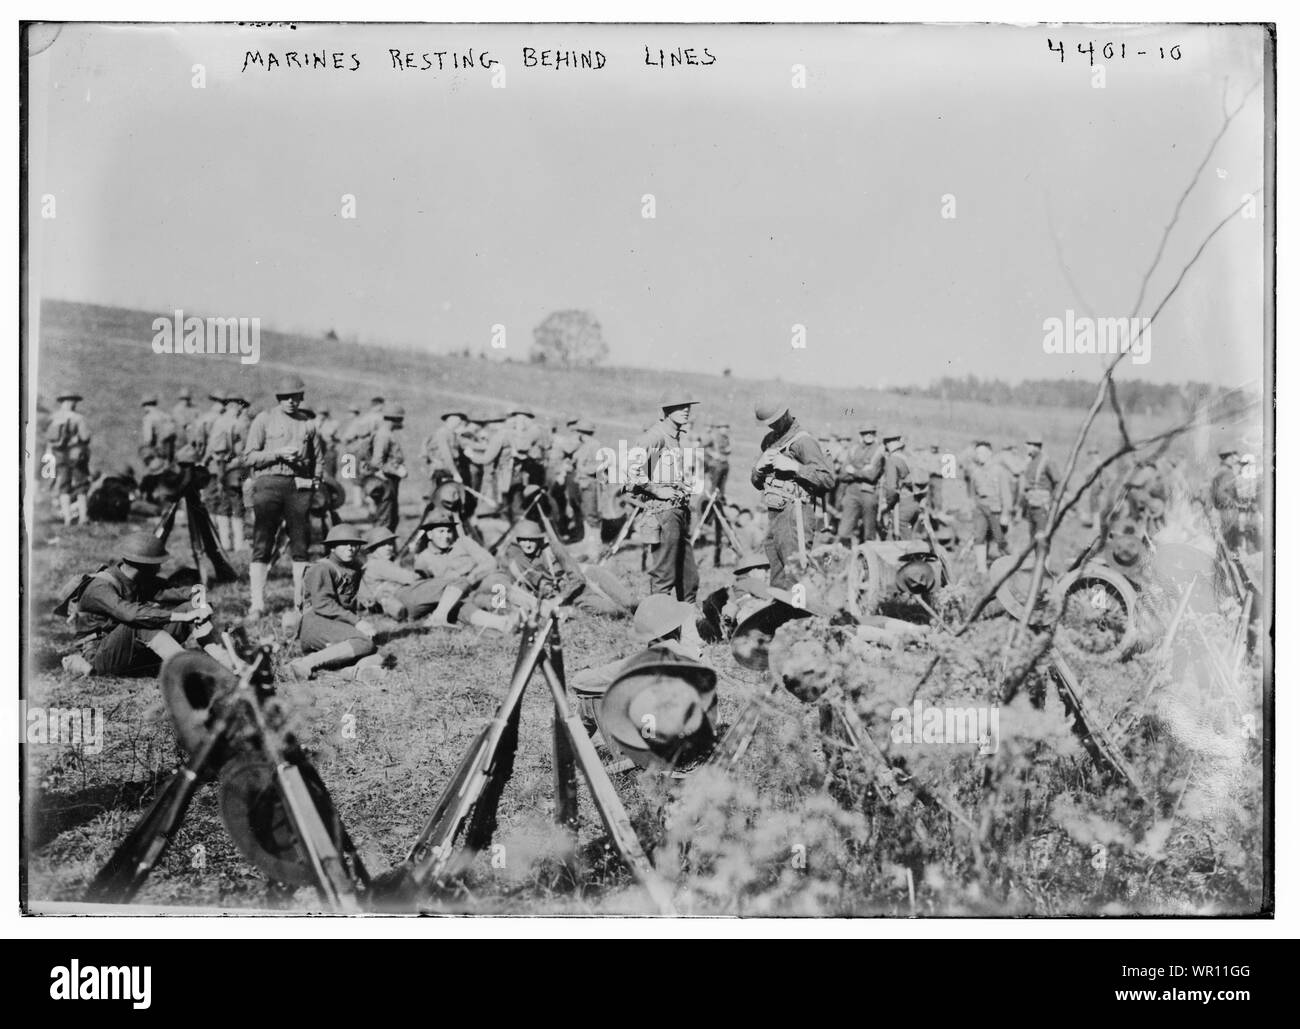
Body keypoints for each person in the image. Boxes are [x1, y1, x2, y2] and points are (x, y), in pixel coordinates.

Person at [64, 531, 227, 677]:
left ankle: (227, 663)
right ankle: (190, 674)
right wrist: (183, 616)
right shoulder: (100, 587)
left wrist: (197, 594)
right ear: (143, 566)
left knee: (191, 607)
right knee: (138, 623)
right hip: (99, 656)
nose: (160, 568)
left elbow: (170, 590)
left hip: (131, 653)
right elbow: (131, 614)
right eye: (157, 563)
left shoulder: (136, 579)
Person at [243, 374, 324, 617]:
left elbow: (318, 460)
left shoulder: (308, 424)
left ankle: (300, 604)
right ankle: (257, 604)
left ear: (301, 397)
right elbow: (248, 456)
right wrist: (277, 453)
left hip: (298, 487)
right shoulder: (264, 420)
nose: (291, 401)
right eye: (285, 397)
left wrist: (314, 483)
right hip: (268, 483)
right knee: (263, 541)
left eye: (295, 397)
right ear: (278, 398)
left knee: (301, 544)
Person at [360, 523, 513, 632]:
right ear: (372, 549)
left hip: (408, 606)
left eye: (390, 544)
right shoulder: (378, 564)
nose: (389, 548)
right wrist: (463, 571)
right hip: (405, 596)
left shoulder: (375, 565)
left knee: (457, 606)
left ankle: (501, 623)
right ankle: (439, 617)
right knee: (457, 581)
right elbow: (411, 578)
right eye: (383, 545)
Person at [751, 397, 835, 590]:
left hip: (795, 511)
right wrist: (759, 468)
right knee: (777, 569)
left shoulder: (804, 441)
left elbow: (828, 480)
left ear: (787, 413)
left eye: (776, 420)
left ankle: (798, 615)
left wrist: (794, 467)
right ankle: (782, 614)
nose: (773, 425)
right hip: (774, 513)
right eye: (769, 423)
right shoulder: (769, 440)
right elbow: (757, 483)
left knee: (796, 571)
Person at [287, 524, 386, 681]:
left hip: (333, 623)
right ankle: (305, 664)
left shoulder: (353, 569)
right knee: (364, 643)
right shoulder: (322, 568)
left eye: (354, 544)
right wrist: (357, 622)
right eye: (344, 544)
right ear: (332, 547)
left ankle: (351, 672)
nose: (350, 548)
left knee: (378, 653)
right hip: (316, 623)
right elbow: (323, 604)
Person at [631, 395, 702, 602]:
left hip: (678, 510)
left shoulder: (674, 436)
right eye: (679, 407)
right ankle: (659, 632)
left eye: (687, 406)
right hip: (663, 511)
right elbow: (630, 468)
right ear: (666, 411)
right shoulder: (656, 436)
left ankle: (687, 629)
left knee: (689, 577)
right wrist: (656, 490)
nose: (686, 410)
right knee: (664, 575)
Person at [412, 511, 503, 626]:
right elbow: (422, 590)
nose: (446, 536)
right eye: (441, 531)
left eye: (448, 531)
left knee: (498, 580)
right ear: (430, 535)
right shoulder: (423, 559)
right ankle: (500, 623)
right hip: (456, 601)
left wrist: (470, 578)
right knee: (462, 608)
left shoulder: (464, 542)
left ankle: (503, 610)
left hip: (479, 588)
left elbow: (491, 562)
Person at [204, 392, 248, 552]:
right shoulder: (239, 425)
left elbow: (210, 447)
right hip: (234, 468)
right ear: (236, 406)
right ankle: (238, 544)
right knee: (237, 504)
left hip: (217, 466)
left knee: (222, 503)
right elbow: (245, 449)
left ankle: (224, 543)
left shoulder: (218, 422)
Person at [964, 440, 1013, 572]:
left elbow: (1006, 494)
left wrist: (1005, 514)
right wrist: (972, 507)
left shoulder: (999, 470)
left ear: (990, 453)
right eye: (978, 452)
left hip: (995, 509)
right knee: (979, 537)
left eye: (983, 452)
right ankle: (982, 569)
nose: (979, 455)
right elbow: (972, 492)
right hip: (980, 508)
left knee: (1000, 539)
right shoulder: (975, 471)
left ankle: (1012, 566)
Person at [45, 390, 92, 526]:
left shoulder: (53, 417)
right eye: (75, 401)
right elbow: (85, 437)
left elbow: (48, 438)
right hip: (75, 455)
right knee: (81, 485)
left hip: (59, 455)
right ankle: (83, 518)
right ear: (72, 402)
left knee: (63, 486)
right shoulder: (78, 418)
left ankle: (67, 519)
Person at [838, 425, 885, 546]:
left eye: (871, 432)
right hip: (852, 492)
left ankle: (867, 561)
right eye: (865, 432)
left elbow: (872, 475)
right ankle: (847, 559)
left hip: (868, 493)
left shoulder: (879, 451)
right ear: (861, 435)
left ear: (875, 434)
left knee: (869, 533)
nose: (869, 435)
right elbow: (842, 475)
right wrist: (863, 471)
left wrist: (853, 471)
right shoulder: (853, 450)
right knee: (843, 532)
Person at [370, 402, 408, 532]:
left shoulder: (387, 433)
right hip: (385, 481)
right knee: (385, 518)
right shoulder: (384, 435)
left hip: (390, 480)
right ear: (395, 419)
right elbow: (376, 462)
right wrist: (397, 471)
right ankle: (377, 548)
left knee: (391, 517)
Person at [1017, 436, 1059, 543]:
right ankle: (1035, 558)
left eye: (1029, 446)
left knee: (1042, 536)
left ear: (1036, 447)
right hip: (1030, 503)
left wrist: (1053, 501)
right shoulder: (1030, 461)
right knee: (1032, 535)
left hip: (1042, 505)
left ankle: (1043, 559)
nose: (1027, 448)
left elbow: (1058, 482)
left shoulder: (1046, 461)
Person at [878, 433, 910, 539]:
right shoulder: (907, 457)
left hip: (902, 502)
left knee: (900, 540)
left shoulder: (892, 460)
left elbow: (891, 488)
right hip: (916, 500)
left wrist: (888, 504)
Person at [139, 393, 178, 470]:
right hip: (172, 451)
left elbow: (148, 439)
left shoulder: (148, 418)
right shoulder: (166, 415)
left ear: (145, 405)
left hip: (159, 453)